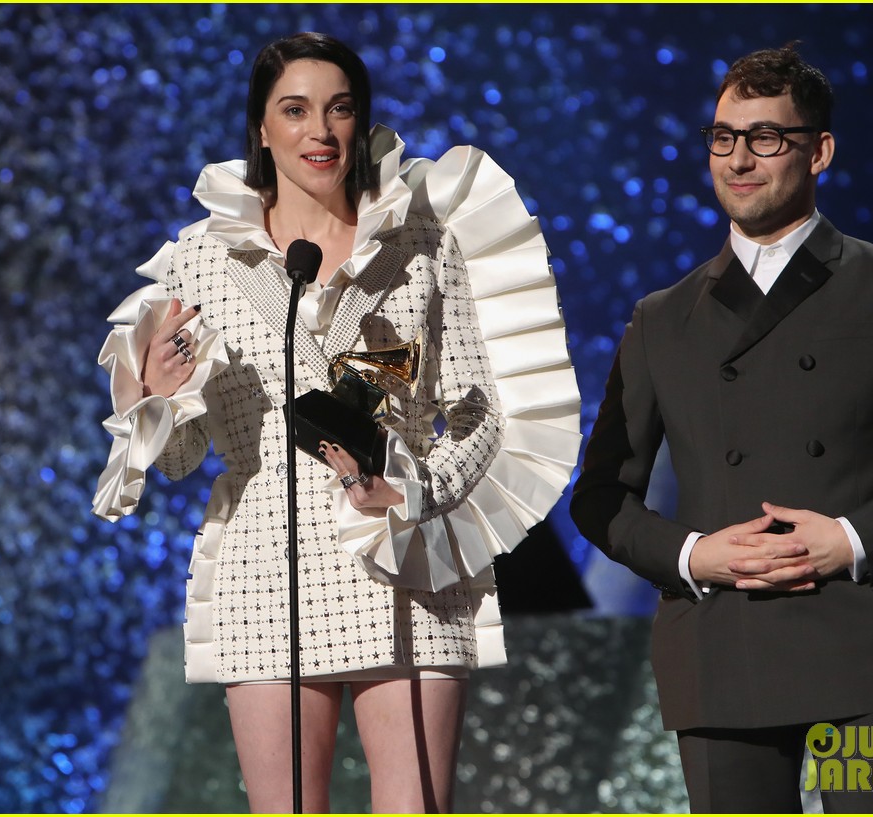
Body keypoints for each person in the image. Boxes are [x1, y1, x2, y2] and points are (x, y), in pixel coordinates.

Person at [93, 32, 580, 813]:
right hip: (266, 560)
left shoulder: (421, 242)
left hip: (406, 549)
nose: (319, 131)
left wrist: (416, 491)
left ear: (362, 120)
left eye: (339, 109)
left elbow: (478, 409)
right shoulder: (201, 260)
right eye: (295, 110)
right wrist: (153, 394)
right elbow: (181, 457)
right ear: (261, 129)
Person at [571, 43, 873, 813]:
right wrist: (695, 554)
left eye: (765, 137)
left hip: (864, 650)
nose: (738, 159)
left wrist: (852, 538)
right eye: (723, 137)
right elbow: (600, 496)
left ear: (819, 151)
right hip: (723, 654)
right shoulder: (661, 319)